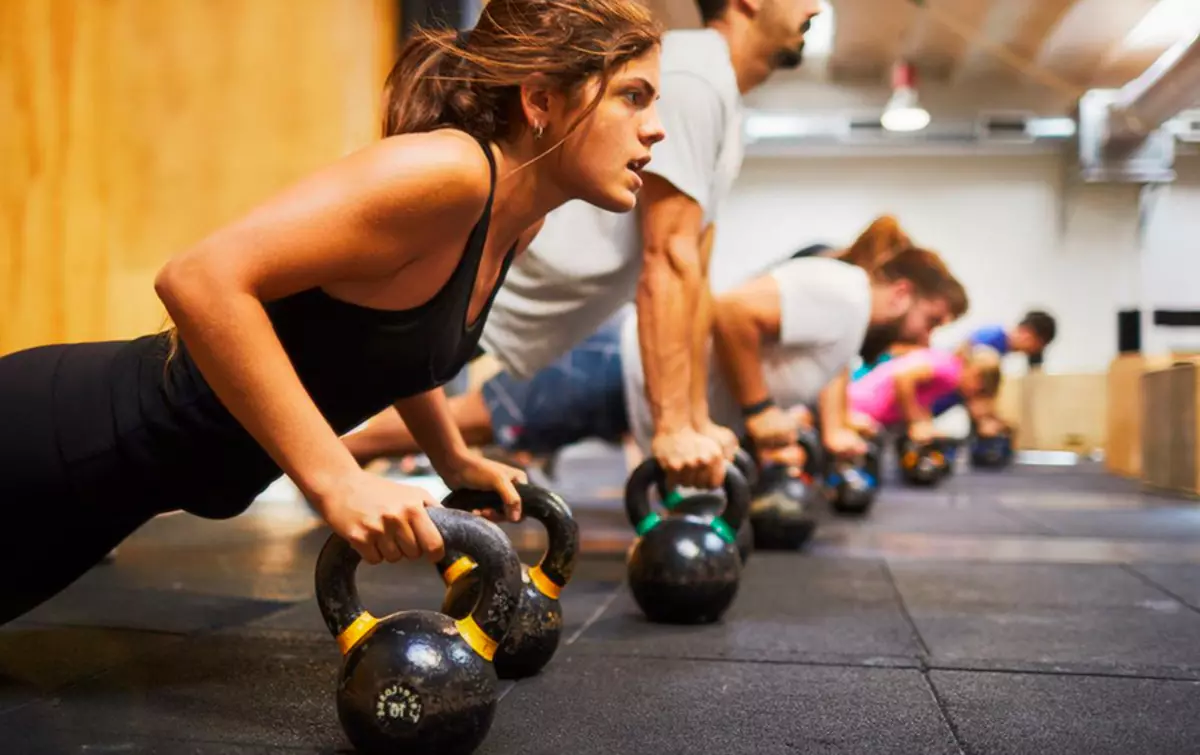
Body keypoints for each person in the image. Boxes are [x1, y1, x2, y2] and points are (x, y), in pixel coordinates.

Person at [0, 0, 664, 625]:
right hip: (61, 440)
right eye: (633, 96)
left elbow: (398, 342)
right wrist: (338, 482)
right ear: (542, 99)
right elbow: (199, 279)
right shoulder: (448, 172)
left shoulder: (517, 222)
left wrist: (453, 457)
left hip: (111, 496)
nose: (656, 127)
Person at [471, 0, 822, 491]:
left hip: (527, 317)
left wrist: (696, 420)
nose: (817, 7)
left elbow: (695, 271)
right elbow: (668, 258)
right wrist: (672, 427)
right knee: (353, 428)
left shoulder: (718, 91)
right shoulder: (695, 78)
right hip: (495, 299)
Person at [342, 217, 962, 474]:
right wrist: (756, 412)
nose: (927, 339)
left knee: (483, 428)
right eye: (931, 319)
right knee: (475, 423)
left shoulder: (849, 310)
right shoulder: (848, 292)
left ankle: (339, 456)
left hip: (634, 385)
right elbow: (733, 312)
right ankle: (332, 455)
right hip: (621, 366)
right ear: (904, 292)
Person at [847, 345, 1003, 445]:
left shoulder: (948, 365)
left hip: (860, 403)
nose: (973, 394)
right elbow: (902, 378)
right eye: (979, 391)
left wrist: (925, 424)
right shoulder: (951, 372)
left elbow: (922, 399)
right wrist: (915, 422)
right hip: (862, 408)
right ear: (976, 376)